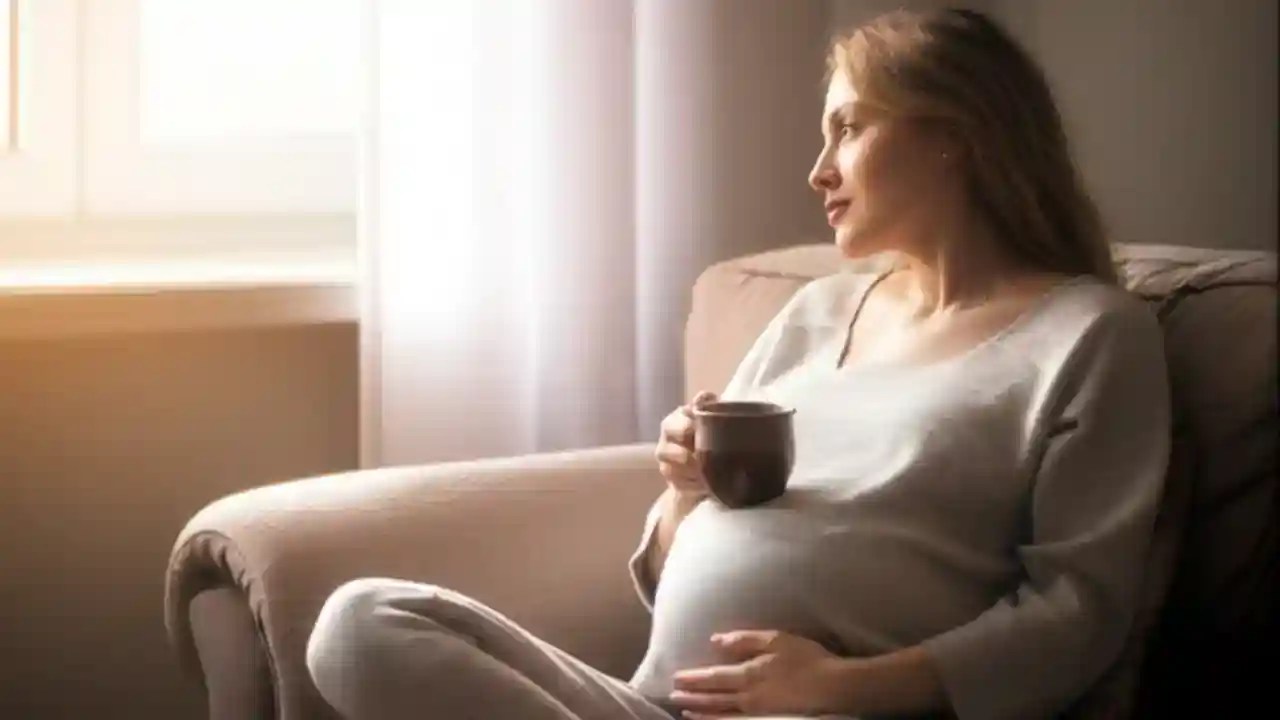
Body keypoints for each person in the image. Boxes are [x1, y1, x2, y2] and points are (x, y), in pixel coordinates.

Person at [304, 8, 1171, 720]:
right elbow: (667, 573)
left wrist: (849, 688)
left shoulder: (1090, 336)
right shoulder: (817, 309)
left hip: (837, 714)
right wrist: (685, 487)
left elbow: (1077, 613)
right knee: (358, 625)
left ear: (956, 136)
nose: (818, 171)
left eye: (848, 128)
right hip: (655, 704)